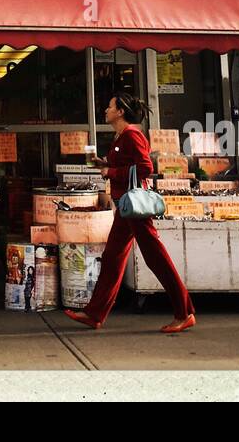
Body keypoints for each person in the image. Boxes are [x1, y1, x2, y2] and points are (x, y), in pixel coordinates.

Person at [64, 92, 196, 334]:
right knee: (113, 258)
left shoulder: (132, 135)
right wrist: (104, 164)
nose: (106, 109)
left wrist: (111, 173)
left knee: (156, 258)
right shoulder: (121, 135)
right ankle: (94, 314)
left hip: (134, 208)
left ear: (121, 111)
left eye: (110, 106)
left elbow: (145, 167)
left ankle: (184, 312)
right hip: (125, 208)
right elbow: (126, 164)